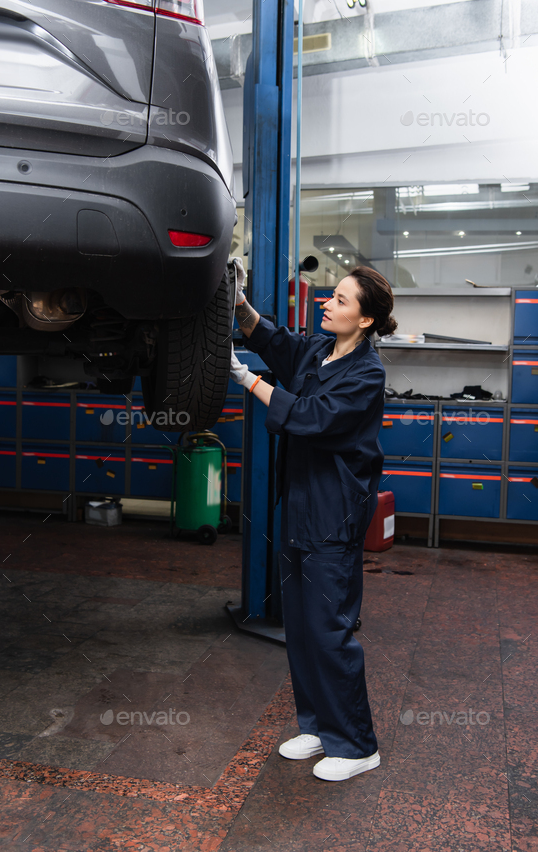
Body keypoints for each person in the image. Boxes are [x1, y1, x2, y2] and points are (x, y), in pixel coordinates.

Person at [229, 260, 397, 782]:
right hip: (299, 503)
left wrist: (247, 379)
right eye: (332, 295)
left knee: (329, 630)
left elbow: (308, 418)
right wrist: (239, 305)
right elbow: (278, 342)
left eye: (341, 300)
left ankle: (356, 743)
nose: (327, 302)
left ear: (365, 320)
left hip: (333, 513)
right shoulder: (321, 350)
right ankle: (319, 727)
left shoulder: (366, 374)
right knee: (299, 628)